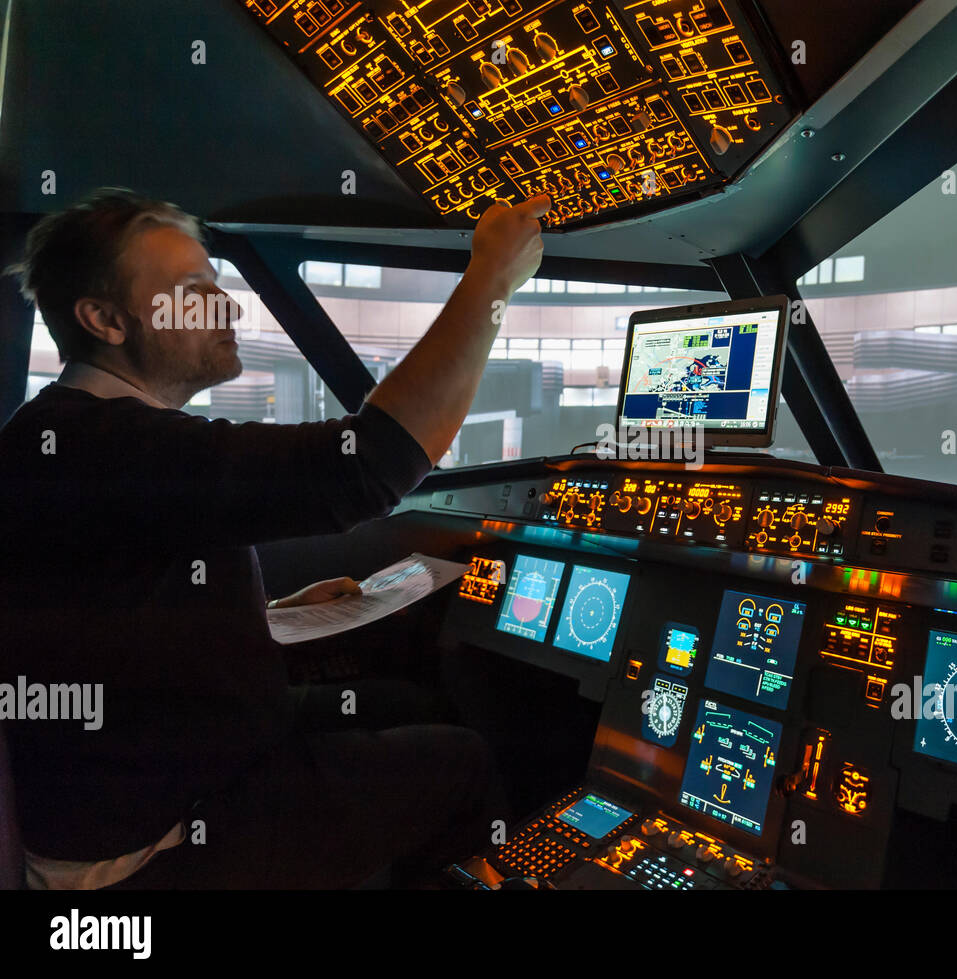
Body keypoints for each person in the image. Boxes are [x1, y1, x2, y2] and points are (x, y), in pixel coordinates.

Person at [0, 186, 552, 888]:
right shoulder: (100, 444)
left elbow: (115, 613)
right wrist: (493, 276)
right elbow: (370, 465)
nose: (227, 307)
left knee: (408, 703)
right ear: (105, 318)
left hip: (173, 762)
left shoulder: (74, 434)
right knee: (461, 763)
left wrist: (271, 614)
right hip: (147, 850)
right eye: (194, 291)